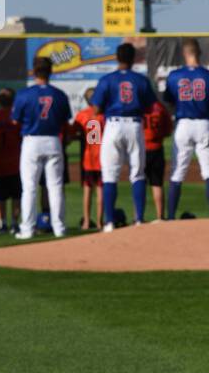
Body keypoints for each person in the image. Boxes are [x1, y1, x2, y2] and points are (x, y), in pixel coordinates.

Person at [92, 42, 157, 232]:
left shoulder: (107, 80)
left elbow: (96, 109)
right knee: (137, 173)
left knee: (109, 174)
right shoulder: (141, 80)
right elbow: (151, 107)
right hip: (134, 125)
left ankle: (110, 223)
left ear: (116, 57)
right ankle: (138, 220)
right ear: (133, 59)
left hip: (113, 125)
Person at [164, 37, 209, 219]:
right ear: (200, 53)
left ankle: (170, 217)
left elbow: (169, 103)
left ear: (185, 54)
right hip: (204, 123)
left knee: (177, 172)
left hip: (183, 124)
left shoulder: (174, 76)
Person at [12, 57, 73, 240]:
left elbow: (15, 120)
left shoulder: (24, 94)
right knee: (55, 187)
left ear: (34, 71)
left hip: (32, 141)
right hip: (53, 140)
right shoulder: (59, 94)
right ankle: (59, 228)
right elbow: (65, 121)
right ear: (50, 71)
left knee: (29, 187)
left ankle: (27, 229)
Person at [0, 88, 22, 234]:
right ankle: (14, 223)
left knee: (0, 196)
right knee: (16, 195)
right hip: (15, 161)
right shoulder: (17, 116)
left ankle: (3, 223)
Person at [73, 89, 104, 229]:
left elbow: (74, 132)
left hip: (88, 157)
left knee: (87, 189)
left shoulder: (81, 115)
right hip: (102, 156)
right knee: (100, 190)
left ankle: (86, 221)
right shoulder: (104, 115)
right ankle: (99, 222)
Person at [141, 98, 172, 222]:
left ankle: (139, 217)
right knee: (157, 183)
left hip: (141, 148)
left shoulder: (137, 104)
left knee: (139, 183)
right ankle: (160, 216)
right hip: (157, 148)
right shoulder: (160, 107)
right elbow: (168, 129)